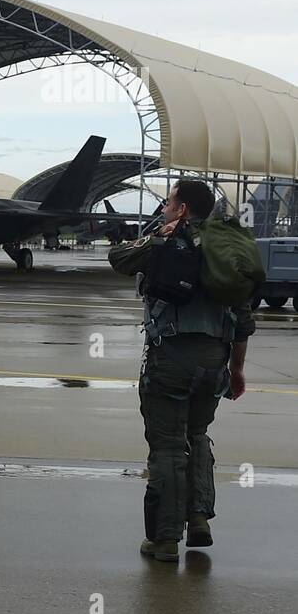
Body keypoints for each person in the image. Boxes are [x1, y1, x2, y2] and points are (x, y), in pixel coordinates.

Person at [109, 179, 254, 562]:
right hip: (214, 362)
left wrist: (159, 233)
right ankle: (199, 518)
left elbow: (119, 258)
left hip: (171, 358)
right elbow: (242, 320)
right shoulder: (226, 250)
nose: (166, 206)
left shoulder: (168, 240)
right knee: (198, 434)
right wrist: (236, 370)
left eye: (169, 201)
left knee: (169, 447)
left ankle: (165, 539)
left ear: (182, 208)